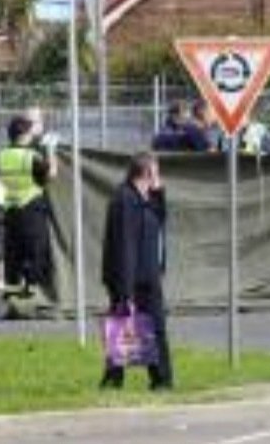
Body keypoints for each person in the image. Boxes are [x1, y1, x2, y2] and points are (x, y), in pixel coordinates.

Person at [100, 152, 173, 391]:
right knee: (124, 328)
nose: (159, 176)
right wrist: (125, 292)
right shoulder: (125, 200)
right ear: (148, 172)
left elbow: (160, 219)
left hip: (147, 277)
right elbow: (125, 246)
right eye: (156, 171)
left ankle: (159, 380)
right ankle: (117, 380)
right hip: (130, 279)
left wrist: (159, 191)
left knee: (152, 329)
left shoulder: (146, 198)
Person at [0, 116, 54, 317]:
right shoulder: (31, 157)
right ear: (24, 135)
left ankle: (12, 299)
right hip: (31, 209)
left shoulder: (0, 156)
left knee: (13, 257)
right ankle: (33, 301)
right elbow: (50, 174)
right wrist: (51, 151)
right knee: (35, 254)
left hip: (11, 210)